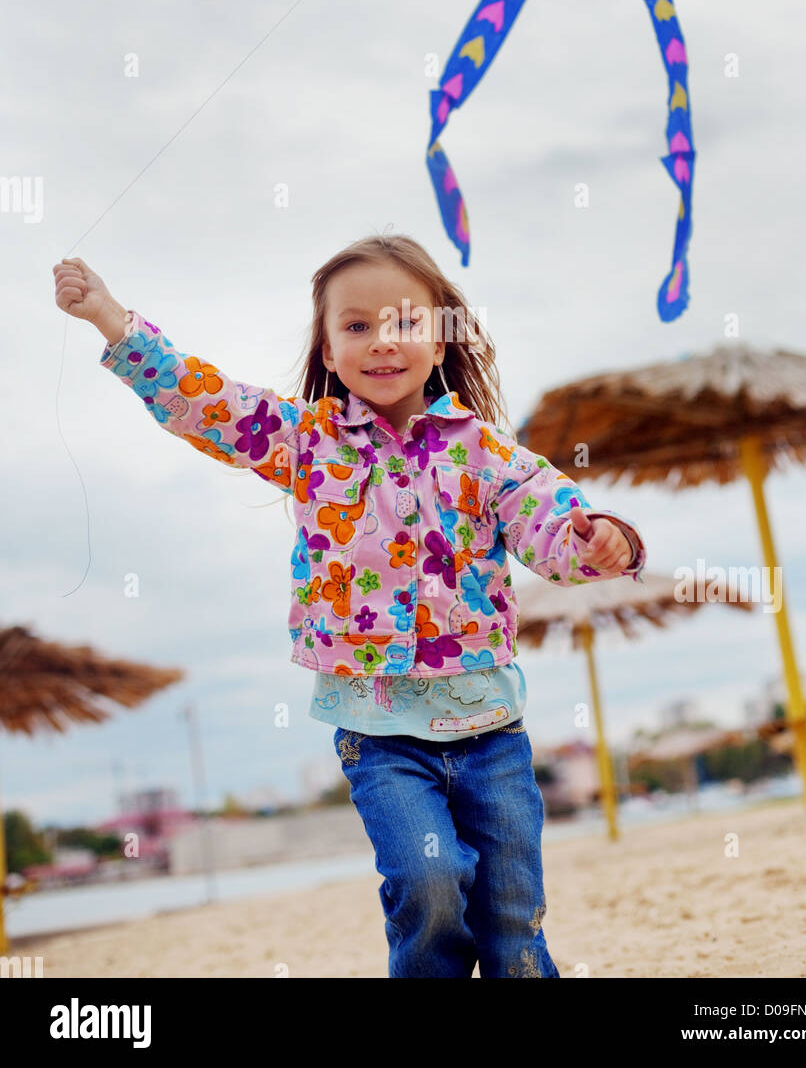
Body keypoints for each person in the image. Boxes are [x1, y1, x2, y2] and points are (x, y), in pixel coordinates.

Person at [53, 233, 646, 978]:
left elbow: (551, 523)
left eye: (403, 323)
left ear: (440, 338)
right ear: (329, 353)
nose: (381, 343)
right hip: (379, 731)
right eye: (356, 326)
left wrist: (602, 542)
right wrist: (111, 316)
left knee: (511, 916)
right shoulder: (308, 444)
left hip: (491, 730)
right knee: (428, 888)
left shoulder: (488, 454)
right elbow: (203, 401)